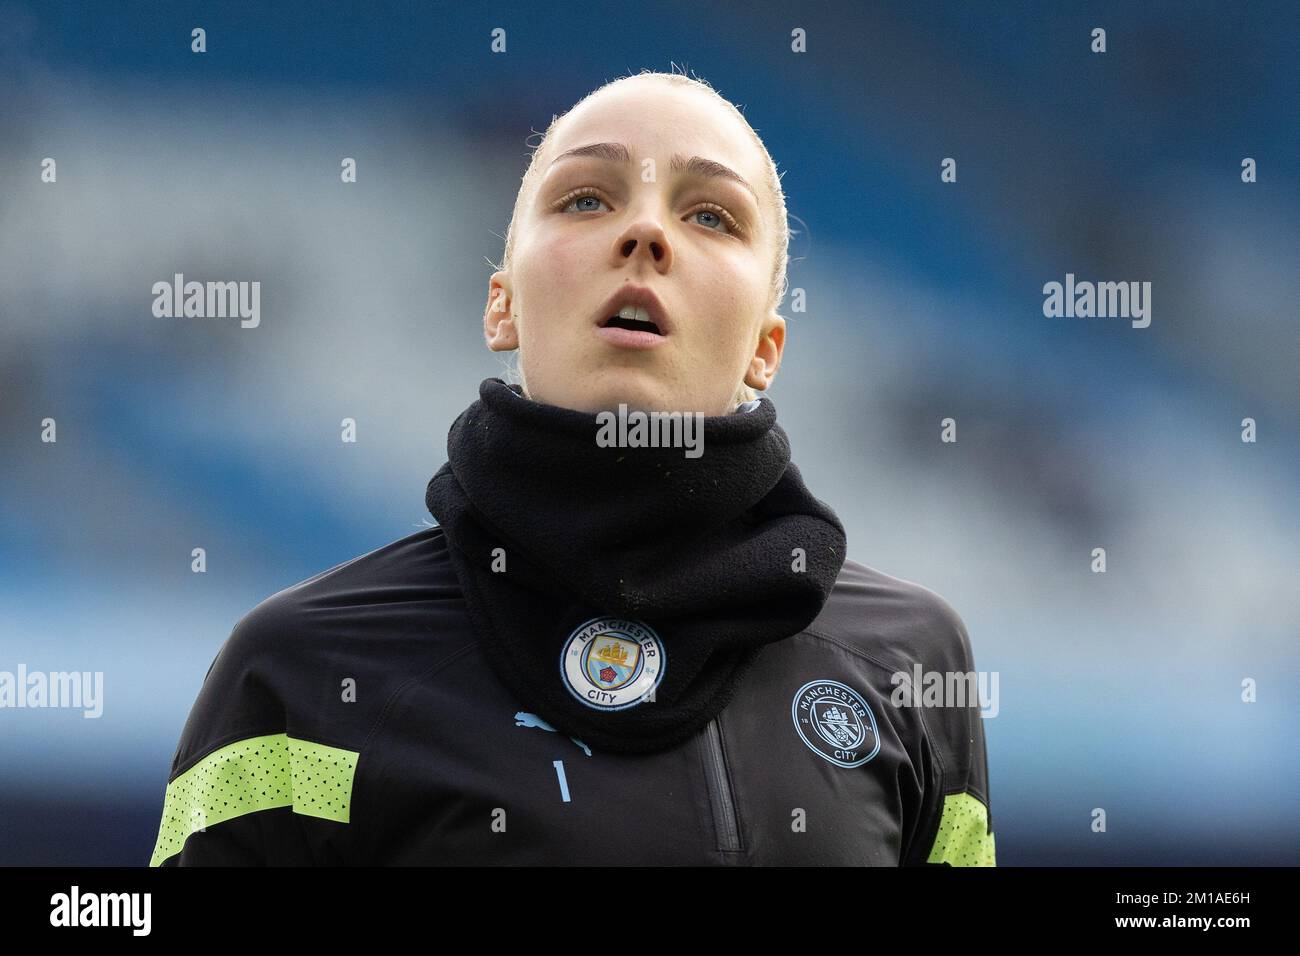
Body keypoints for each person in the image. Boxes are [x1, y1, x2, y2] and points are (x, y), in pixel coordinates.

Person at [148, 69, 995, 866]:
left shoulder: (912, 662)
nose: (646, 233)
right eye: (587, 198)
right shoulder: (300, 668)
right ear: (502, 303)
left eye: (711, 216)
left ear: (767, 348)